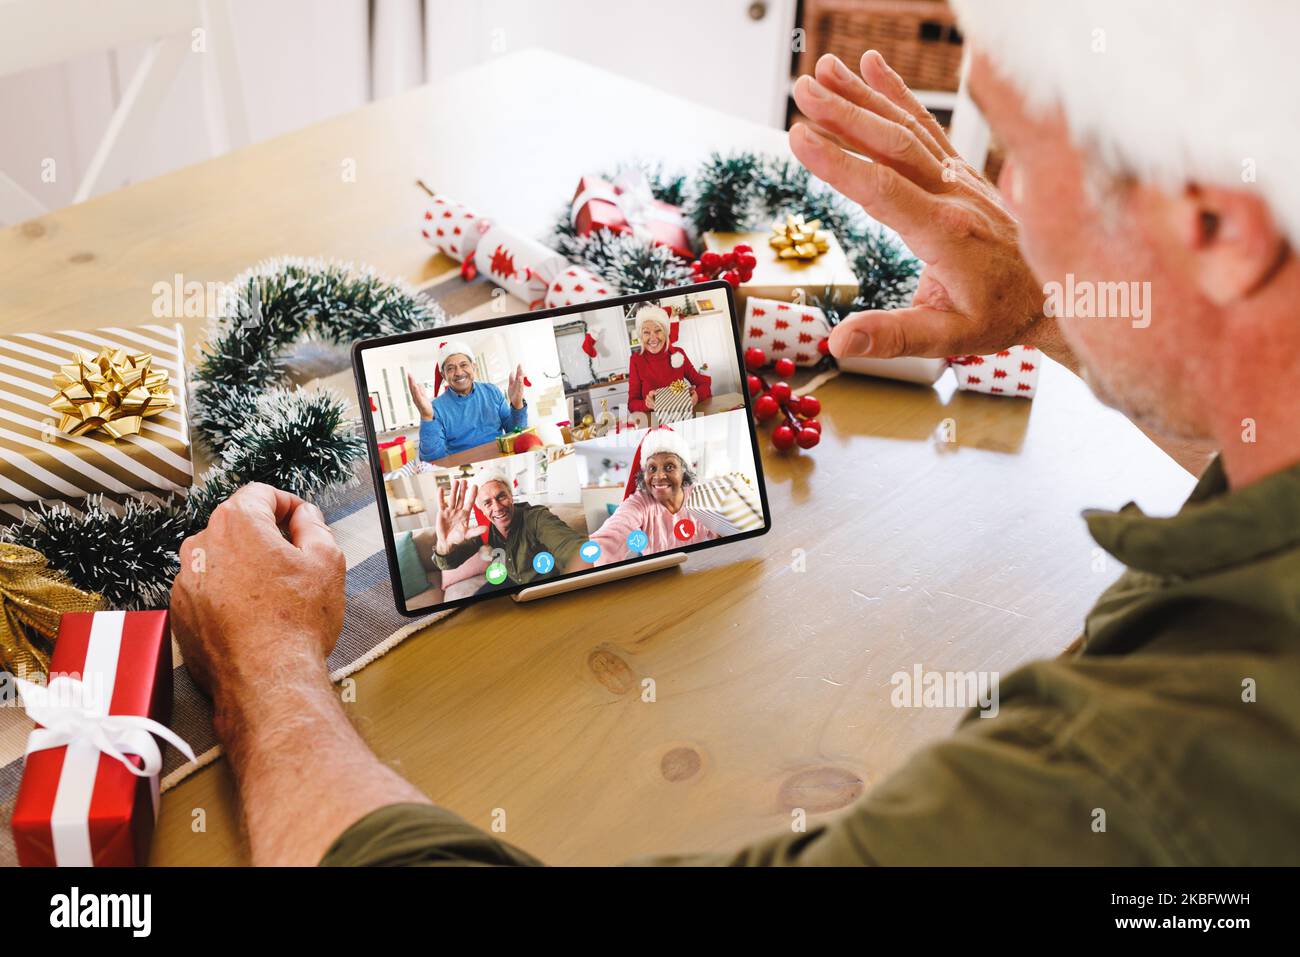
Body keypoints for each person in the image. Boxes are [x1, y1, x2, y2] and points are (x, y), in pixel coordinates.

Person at [170, 1, 1300, 866]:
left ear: (1211, 227)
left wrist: (264, 668)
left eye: (1018, 150)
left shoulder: (1133, 776)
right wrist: (1058, 301)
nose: (990, 195)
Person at [430, 472, 586, 588]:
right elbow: (448, 564)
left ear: (511, 496)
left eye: (501, 497)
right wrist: (445, 544)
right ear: (482, 510)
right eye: (487, 503)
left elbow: (573, 548)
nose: (497, 507)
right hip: (508, 584)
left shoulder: (536, 518)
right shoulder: (483, 531)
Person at [592, 427, 718, 565]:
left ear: (683, 472)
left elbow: (722, 533)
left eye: (669, 466)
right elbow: (609, 538)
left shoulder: (701, 497)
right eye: (652, 468)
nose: (658, 476)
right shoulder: (639, 503)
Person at [407, 339, 528, 462]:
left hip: (502, 461)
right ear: (443, 375)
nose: (459, 372)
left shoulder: (492, 391)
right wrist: (427, 417)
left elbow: (515, 433)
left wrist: (517, 404)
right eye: (450, 368)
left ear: (473, 366)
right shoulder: (435, 408)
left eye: (464, 365)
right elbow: (432, 461)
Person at [625, 305, 711, 416]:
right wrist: (647, 404)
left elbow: (704, 384)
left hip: (681, 416)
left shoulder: (678, 354)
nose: (653, 338)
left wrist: (696, 396)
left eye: (658, 331)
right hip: (653, 422)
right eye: (646, 332)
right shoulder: (636, 360)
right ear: (641, 335)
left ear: (666, 332)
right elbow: (632, 404)